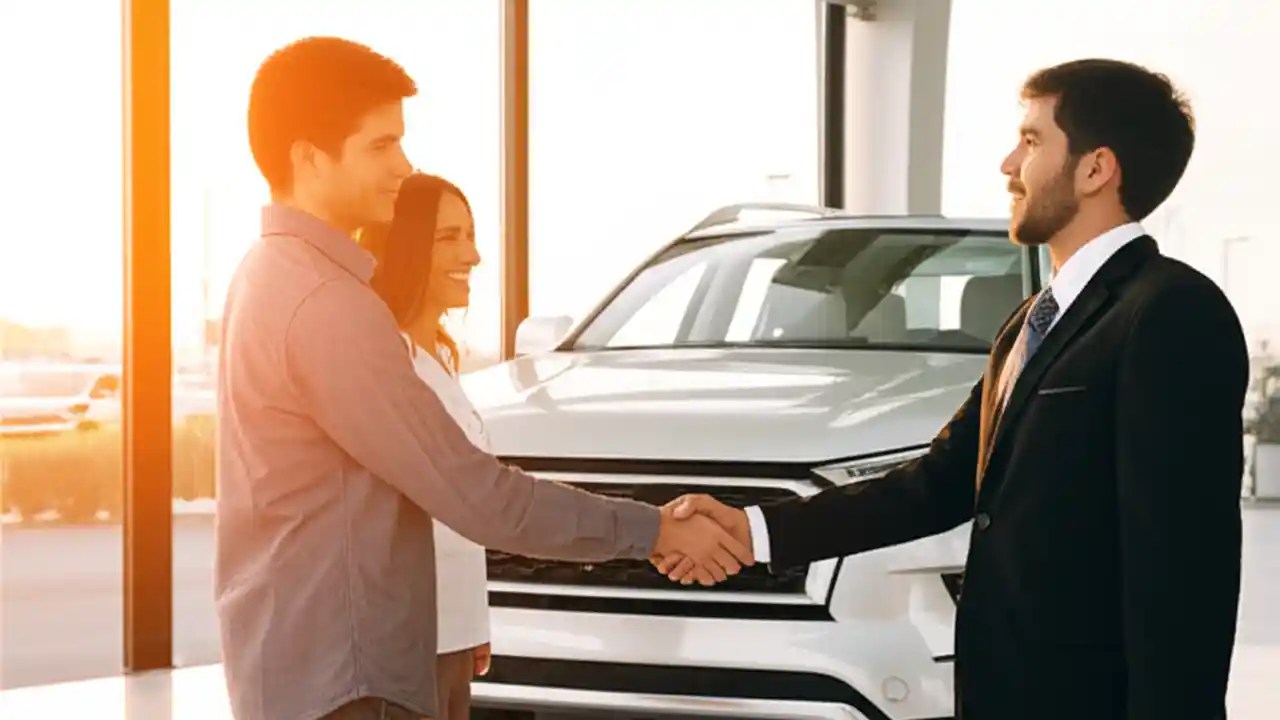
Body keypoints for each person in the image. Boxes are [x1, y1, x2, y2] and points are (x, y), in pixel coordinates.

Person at [659, 59, 1248, 720]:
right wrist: (752, 529)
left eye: (1030, 141)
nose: (1006, 164)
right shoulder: (1029, 323)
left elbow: (1182, 569)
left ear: (1095, 168)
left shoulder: (1170, 311)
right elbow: (939, 482)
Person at [216, 36, 752, 720]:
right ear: (308, 156)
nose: (403, 168)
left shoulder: (264, 276)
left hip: (299, 669)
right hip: (351, 685)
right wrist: (654, 531)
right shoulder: (327, 305)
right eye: (380, 146)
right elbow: (475, 493)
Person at [360, 173, 490, 720]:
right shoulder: (383, 358)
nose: (475, 255)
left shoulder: (441, 355)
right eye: (450, 238)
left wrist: (473, 625)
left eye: (471, 234)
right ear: (406, 246)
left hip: (452, 637)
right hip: (407, 643)